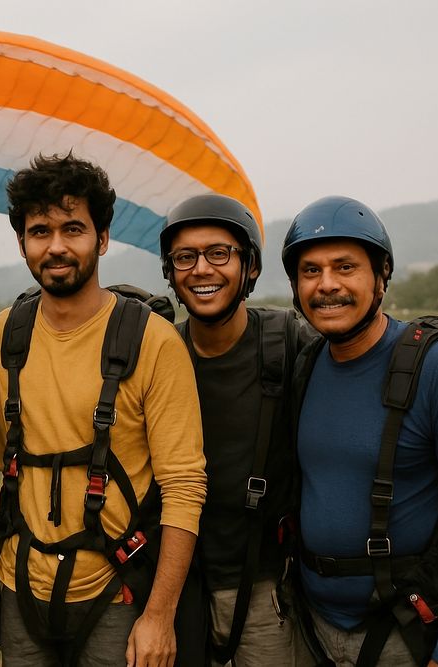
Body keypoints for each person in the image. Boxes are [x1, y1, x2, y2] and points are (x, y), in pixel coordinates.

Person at [0, 153, 206, 666]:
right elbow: (2, 461)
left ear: (102, 238)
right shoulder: (3, 337)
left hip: (115, 593)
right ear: (22, 243)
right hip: (21, 588)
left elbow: (184, 487)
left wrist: (159, 615)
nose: (56, 246)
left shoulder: (152, 342)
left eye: (73, 228)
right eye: (40, 231)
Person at [282, 196, 438, 667]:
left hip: (405, 633)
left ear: (381, 277)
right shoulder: (306, 366)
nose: (327, 285)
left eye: (345, 267)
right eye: (310, 270)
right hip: (312, 627)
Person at [160, 193, 313, 666]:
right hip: (179, 587)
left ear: (249, 267)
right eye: (185, 257)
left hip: (267, 590)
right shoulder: (158, 353)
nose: (201, 269)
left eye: (219, 253)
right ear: (170, 272)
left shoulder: (289, 342)